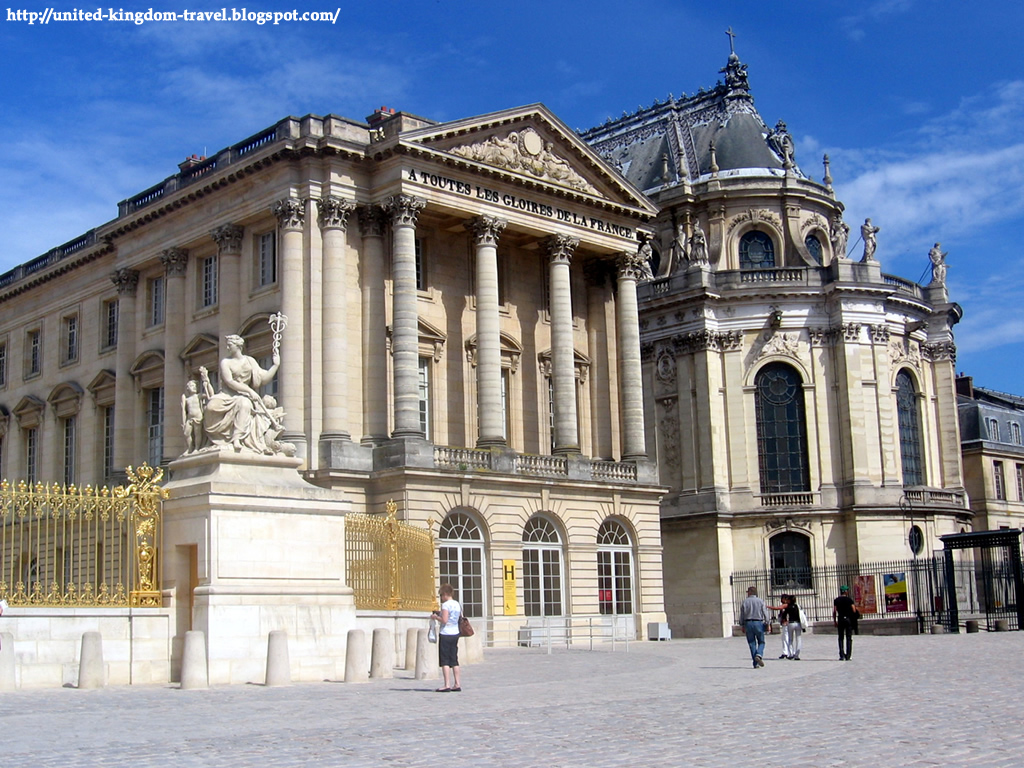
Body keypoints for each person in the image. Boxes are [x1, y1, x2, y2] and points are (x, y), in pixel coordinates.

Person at [203, 335, 281, 453]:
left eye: (230, 345)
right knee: (210, 407)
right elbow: (229, 382)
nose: (228, 347)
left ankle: (236, 438)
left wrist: (275, 366)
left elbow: (263, 378)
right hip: (226, 395)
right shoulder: (225, 362)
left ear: (238, 346)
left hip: (243, 397)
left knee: (244, 404)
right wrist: (249, 390)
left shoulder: (250, 361)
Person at [429, 584, 463, 691]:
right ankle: (457, 683)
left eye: (441, 595)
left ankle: (447, 684)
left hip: (446, 633)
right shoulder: (457, 604)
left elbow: (444, 620)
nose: (441, 598)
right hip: (455, 633)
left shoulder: (445, 605)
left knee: (445, 660)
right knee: (454, 660)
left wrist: (436, 617)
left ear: (445, 594)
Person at [738, 585, 770, 668]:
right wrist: (768, 622)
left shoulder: (745, 602)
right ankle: (759, 654)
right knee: (761, 641)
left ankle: (755, 663)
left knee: (752, 643)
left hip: (748, 623)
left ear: (749, 592)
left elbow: (742, 614)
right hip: (758, 622)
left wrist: (742, 624)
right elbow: (765, 613)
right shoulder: (760, 601)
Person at [833, 585, 859, 660]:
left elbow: (834, 611)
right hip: (848, 619)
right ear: (846, 591)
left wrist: (835, 621)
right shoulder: (849, 600)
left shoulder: (836, 600)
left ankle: (841, 655)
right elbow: (854, 610)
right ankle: (848, 655)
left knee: (841, 637)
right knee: (848, 637)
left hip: (840, 619)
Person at [766, 594, 791, 659]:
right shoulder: (786, 605)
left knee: (786, 638)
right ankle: (785, 652)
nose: (781, 600)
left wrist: (768, 607)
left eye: (782, 598)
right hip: (784, 623)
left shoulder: (786, 605)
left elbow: (778, 608)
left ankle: (787, 652)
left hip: (786, 624)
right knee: (784, 638)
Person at [785, 595, 805, 660]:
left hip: (791, 623)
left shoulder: (788, 607)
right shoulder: (798, 606)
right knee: (798, 639)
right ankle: (797, 654)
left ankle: (791, 653)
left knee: (790, 639)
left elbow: (784, 615)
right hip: (798, 623)